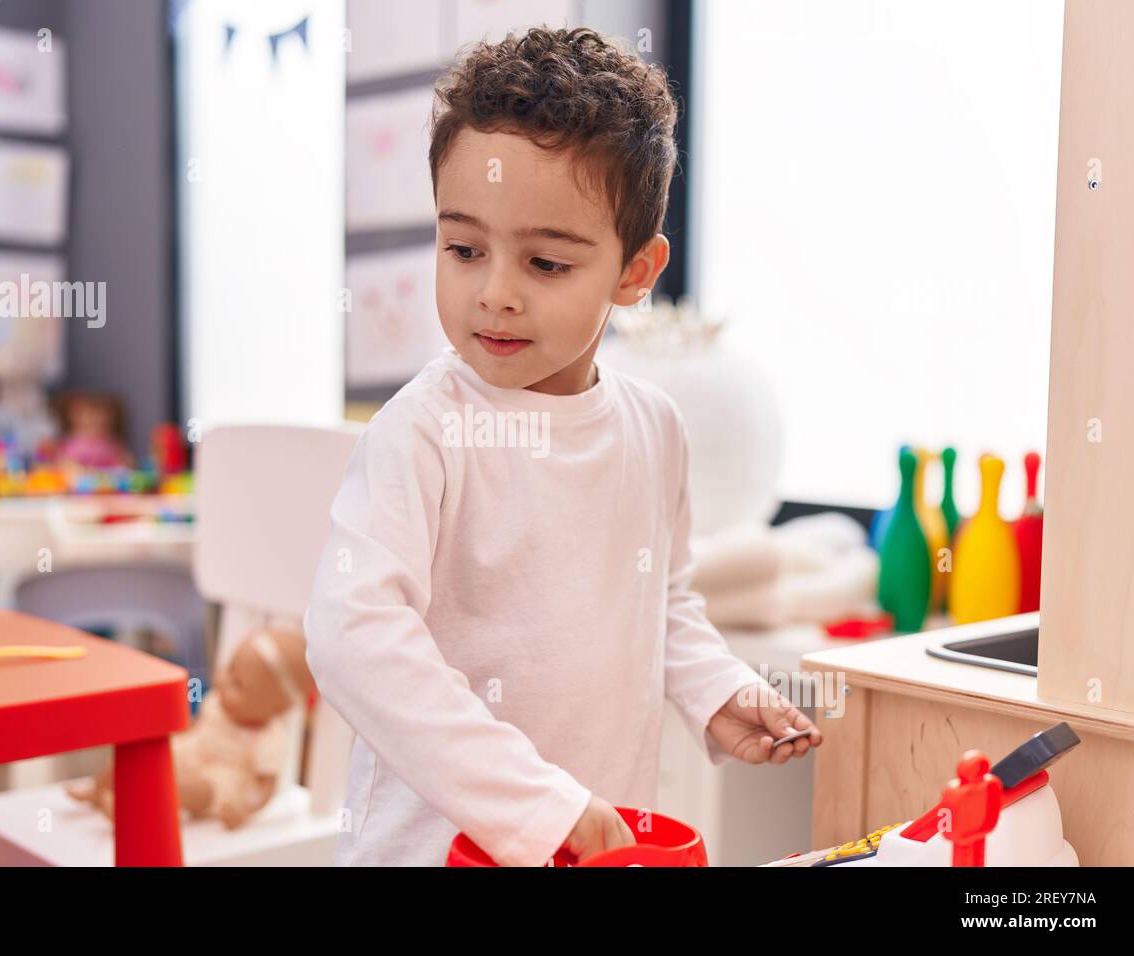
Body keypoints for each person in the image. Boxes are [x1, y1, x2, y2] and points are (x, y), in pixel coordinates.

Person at [305, 26, 821, 867]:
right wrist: (536, 805)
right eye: (463, 249)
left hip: (597, 850)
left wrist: (715, 690)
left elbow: (662, 604)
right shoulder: (423, 430)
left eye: (545, 264)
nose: (495, 294)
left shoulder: (654, 429)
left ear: (635, 273)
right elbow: (350, 633)